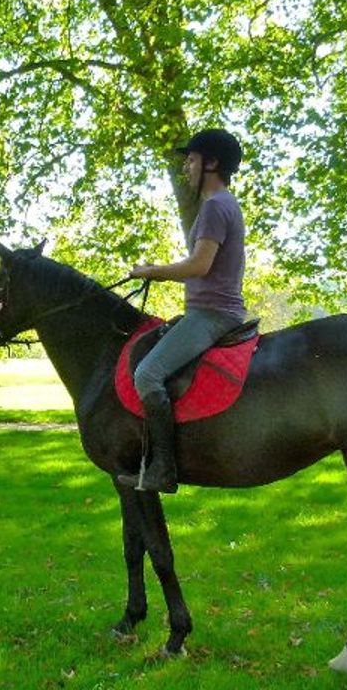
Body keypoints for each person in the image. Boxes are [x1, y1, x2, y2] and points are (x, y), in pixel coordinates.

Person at [117, 128, 248, 494]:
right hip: (212, 312)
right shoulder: (224, 204)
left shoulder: (213, 206)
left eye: (191, 160)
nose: (186, 168)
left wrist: (151, 272)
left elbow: (200, 265)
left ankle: (163, 470)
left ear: (212, 163)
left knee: (147, 374)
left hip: (211, 316)